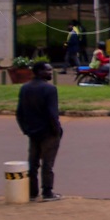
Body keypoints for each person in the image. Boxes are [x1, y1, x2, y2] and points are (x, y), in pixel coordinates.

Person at [16, 62, 64, 201]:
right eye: (48, 70)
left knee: (33, 163)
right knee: (47, 163)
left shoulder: (25, 88)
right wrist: (57, 130)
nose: (51, 72)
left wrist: (25, 129)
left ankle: (32, 192)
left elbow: (19, 112)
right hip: (48, 132)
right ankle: (47, 192)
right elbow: (52, 114)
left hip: (32, 132)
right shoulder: (49, 89)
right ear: (39, 72)